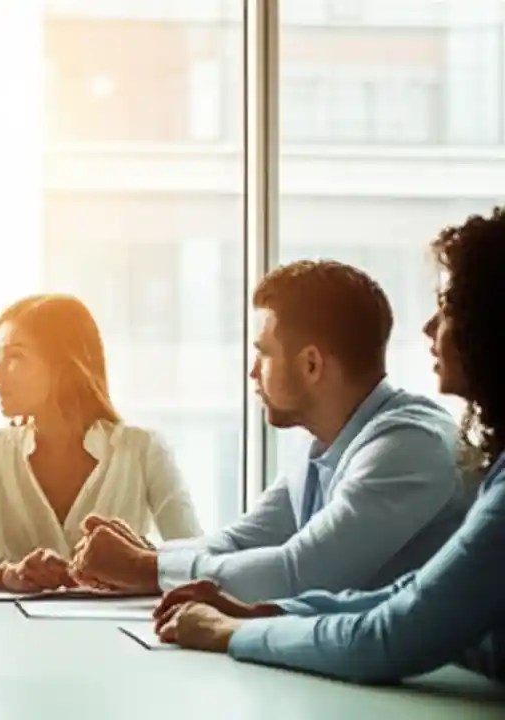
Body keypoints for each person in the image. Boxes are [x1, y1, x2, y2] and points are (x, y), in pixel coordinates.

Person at [155, 209, 505, 683]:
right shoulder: (324, 447)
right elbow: (413, 593)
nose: (428, 327)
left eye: (448, 305)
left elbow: (389, 634)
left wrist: (231, 631)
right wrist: (268, 612)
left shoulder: (411, 443)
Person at [70, 260, 469, 602]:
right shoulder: (322, 446)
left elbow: (297, 574)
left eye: (263, 353)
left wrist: (146, 568)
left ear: (311, 365)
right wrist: (144, 558)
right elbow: (238, 542)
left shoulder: (409, 445)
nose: (252, 372)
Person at [0, 294, 201, 592]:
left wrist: (134, 564)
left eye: (15, 357)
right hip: (9, 632)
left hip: (114, 635)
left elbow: (196, 560)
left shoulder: (144, 450)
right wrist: (6, 575)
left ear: (65, 364)